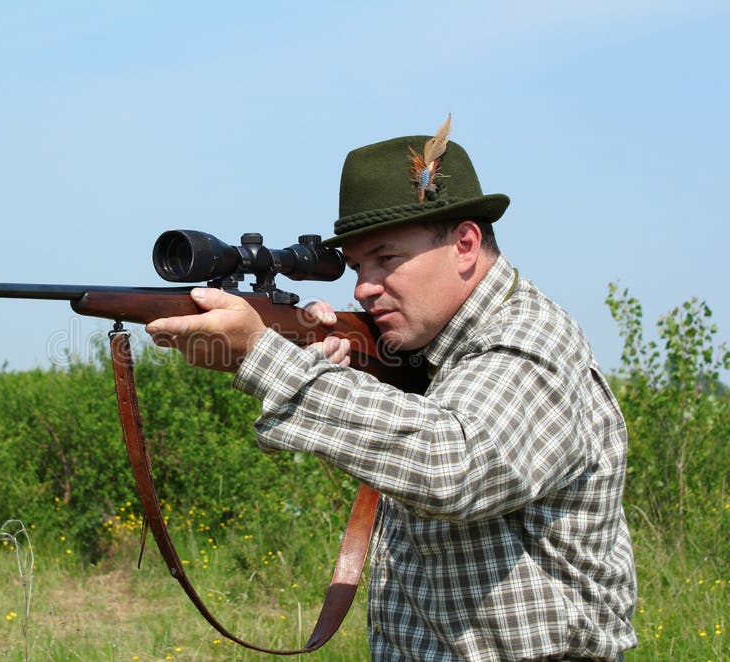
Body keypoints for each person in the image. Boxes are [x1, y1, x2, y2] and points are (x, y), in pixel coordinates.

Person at [145, 118, 637, 661]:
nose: (363, 287)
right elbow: (402, 439)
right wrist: (331, 368)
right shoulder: (429, 353)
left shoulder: (527, 341)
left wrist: (268, 360)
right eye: (356, 266)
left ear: (466, 244)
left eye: (386, 258)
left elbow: (452, 465)